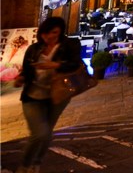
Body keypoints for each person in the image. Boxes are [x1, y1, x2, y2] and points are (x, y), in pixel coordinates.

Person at [14, 17, 82, 172]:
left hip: (57, 96)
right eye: (46, 33)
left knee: (47, 133)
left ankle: (36, 163)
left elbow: (76, 64)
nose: (50, 36)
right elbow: (26, 70)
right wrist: (21, 78)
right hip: (32, 96)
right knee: (39, 133)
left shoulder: (69, 45)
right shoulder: (34, 49)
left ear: (60, 32)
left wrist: (56, 65)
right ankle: (24, 166)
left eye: (54, 32)